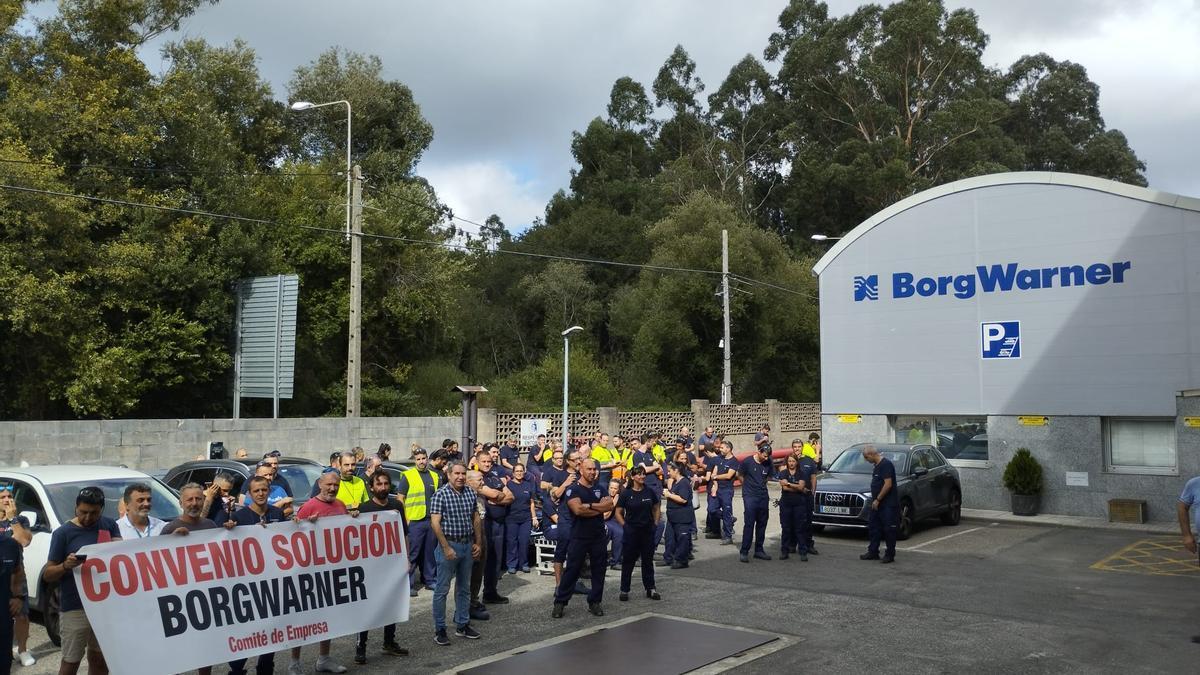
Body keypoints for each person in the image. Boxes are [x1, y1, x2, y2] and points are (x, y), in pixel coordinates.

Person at [43, 486, 122, 675]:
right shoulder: (63, 533)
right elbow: (48, 574)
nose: (87, 517)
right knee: (71, 661)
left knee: (100, 659)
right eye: (83, 512)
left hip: (104, 604)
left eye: (93, 513)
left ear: (102, 510)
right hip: (75, 607)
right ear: (75, 508)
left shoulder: (109, 525)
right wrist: (65, 566)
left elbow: (122, 554)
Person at [221, 476, 287, 675]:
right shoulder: (239, 518)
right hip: (248, 585)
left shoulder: (277, 513)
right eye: (256, 491)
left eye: (264, 490)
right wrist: (228, 530)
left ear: (269, 491)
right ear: (249, 494)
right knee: (246, 629)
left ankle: (265, 667)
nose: (260, 494)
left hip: (272, 582)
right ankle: (237, 669)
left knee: (271, 629)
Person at [288, 470, 350, 674]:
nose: (332, 488)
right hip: (308, 572)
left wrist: (355, 518)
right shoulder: (308, 507)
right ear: (320, 484)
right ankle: (294, 663)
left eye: (336, 485)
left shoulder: (340, 505)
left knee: (327, 616)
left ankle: (324, 659)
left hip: (331, 571)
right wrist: (303, 524)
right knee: (302, 618)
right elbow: (293, 535)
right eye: (329, 485)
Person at [355, 472, 409, 663]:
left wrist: (406, 558)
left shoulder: (396, 506)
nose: (384, 487)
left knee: (391, 603)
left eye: (386, 483)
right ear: (372, 487)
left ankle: (389, 642)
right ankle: (361, 647)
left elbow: (404, 534)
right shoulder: (364, 508)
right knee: (367, 607)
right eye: (379, 484)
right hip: (370, 567)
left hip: (392, 564)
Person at [429, 462, 484, 647]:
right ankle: (440, 629)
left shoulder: (470, 492)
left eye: (463, 473)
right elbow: (435, 523)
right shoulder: (440, 494)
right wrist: (445, 547)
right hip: (449, 545)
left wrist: (478, 542)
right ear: (449, 474)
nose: (460, 477)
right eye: (457, 474)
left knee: (464, 588)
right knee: (442, 589)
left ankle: (462, 624)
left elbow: (475, 517)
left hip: (467, 544)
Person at [551, 459, 613, 619]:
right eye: (589, 469)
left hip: (598, 536)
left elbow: (609, 506)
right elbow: (578, 510)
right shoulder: (573, 489)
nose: (593, 472)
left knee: (599, 570)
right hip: (579, 536)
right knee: (572, 570)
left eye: (594, 469)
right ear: (581, 470)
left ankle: (595, 602)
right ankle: (560, 602)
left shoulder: (600, 488)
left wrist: (590, 506)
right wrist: (597, 507)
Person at [397, 447, 441, 596]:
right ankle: (408, 584)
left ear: (427, 459)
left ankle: (429, 580)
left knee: (430, 553)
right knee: (412, 554)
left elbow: (438, 498)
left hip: (431, 520)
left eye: (423, 458)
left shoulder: (435, 476)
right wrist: (405, 519)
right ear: (414, 460)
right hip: (414, 521)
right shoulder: (408, 476)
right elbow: (400, 499)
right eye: (418, 459)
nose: (421, 461)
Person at [0, 484, 34, 667]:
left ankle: (22, 649)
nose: (7, 500)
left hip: (16, 574)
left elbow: (23, 540)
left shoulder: (20, 519)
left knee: (21, 614)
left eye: (10, 496)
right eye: (2, 497)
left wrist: (13, 520)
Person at [615, 467, 661, 602]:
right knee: (628, 561)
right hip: (631, 532)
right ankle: (624, 590)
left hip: (647, 531)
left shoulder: (649, 492)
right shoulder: (626, 494)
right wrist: (625, 526)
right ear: (633, 477)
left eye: (643, 474)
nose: (642, 477)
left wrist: (656, 524)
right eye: (639, 475)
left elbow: (656, 507)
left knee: (647, 561)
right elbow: (618, 512)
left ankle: (650, 588)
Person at [475, 451, 513, 606]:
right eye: (483, 461)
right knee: (480, 562)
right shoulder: (475, 478)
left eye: (489, 461)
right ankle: (473, 598)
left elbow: (510, 496)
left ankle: (490, 592)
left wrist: (496, 500)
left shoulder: (494, 477)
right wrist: (497, 496)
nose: (487, 464)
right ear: (477, 461)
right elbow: (493, 493)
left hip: (499, 523)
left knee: (495, 560)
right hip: (484, 525)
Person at [860, 445, 899, 564]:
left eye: (867, 457)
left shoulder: (886, 465)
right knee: (874, 527)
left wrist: (878, 499)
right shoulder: (876, 466)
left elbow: (888, 484)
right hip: (877, 503)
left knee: (888, 529)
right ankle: (873, 551)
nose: (866, 460)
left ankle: (890, 554)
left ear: (872, 454)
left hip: (887, 503)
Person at [738, 443, 773, 562]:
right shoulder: (748, 462)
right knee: (749, 523)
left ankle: (759, 550)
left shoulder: (768, 463)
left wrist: (760, 485)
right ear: (758, 452)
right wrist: (748, 487)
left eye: (768, 456)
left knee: (762, 522)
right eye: (764, 455)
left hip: (763, 495)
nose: (766, 458)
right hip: (750, 496)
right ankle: (744, 551)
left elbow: (768, 477)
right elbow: (740, 475)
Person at [0, 528, 26, 675]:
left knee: (3, 667)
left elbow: (17, 571)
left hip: (3, 621)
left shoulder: (10, 545)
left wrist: (18, 597)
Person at [504, 463, 537, 574]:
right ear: (513, 473)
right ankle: (512, 564)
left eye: (521, 471)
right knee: (512, 542)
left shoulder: (528, 485)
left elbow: (532, 503)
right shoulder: (508, 485)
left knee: (524, 542)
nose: (519, 473)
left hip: (526, 519)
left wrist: (534, 517)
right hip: (511, 518)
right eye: (517, 471)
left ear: (524, 472)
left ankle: (524, 564)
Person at [777, 454, 812, 561]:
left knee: (800, 528)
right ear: (787, 462)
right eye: (789, 461)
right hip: (786, 504)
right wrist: (797, 488)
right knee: (786, 528)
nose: (791, 463)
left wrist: (788, 483)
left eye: (793, 461)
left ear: (797, 462)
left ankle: (803, 552)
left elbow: (801, 487)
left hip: (799, 504)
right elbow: (785, 489)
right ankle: (784, 551)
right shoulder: (783, 473)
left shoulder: (802, 473)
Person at [663, 463, 694, 569]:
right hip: (673, 517)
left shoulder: (684, 483)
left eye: (669, 471)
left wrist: (669, 495)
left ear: (676, 470)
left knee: (682, 538)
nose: (668, 473)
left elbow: (683, 499)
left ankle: (682, 560)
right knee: (670, 538)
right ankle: (669, 558)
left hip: (682, 517)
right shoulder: (676, 482)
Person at [602, 480, 623, 569]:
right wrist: (613, 503)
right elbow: (604, 516)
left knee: (621, 532)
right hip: (605, 521)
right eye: (611, 488)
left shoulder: (621, 498)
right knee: (611, 530)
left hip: (616, 522)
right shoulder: (604, 498)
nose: (613, 490)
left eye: (615, 488)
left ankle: (616, 561)